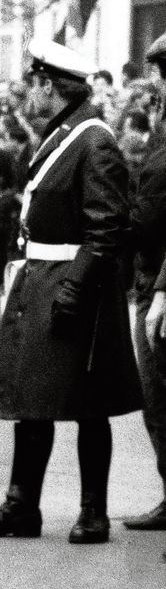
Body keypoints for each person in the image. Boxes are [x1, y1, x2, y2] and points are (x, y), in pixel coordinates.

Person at [0, 40, 142, 544]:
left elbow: (106, 227)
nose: (27, 94)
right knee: (30, 399)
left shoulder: (94, 139)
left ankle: (94, 512)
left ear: (49, 85)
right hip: (41, 275)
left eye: (33, 84)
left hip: (75, 282)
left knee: (90, 402)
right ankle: (22, 505)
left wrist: (74, 289)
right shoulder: (61, 134)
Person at [125, 29, 166, 532]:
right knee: (156, 400)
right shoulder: (160, 124)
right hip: (145, 272)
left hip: (160, 280)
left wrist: (163, 288)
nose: (157, 81)